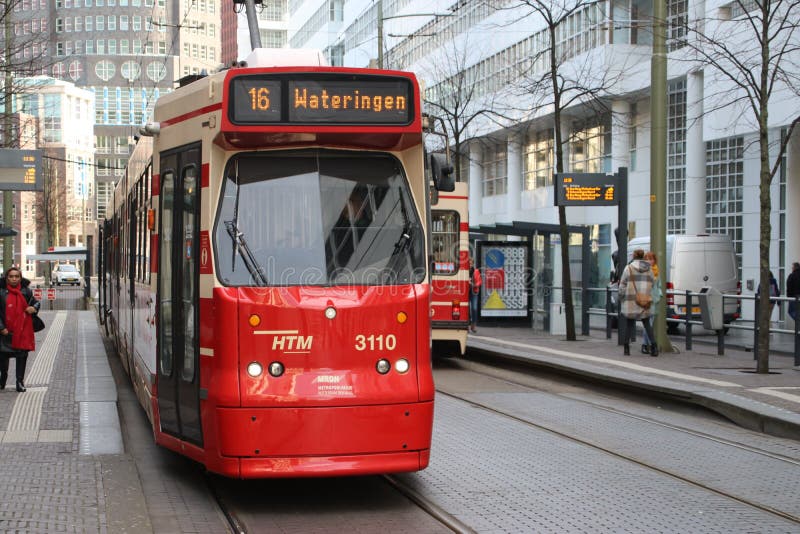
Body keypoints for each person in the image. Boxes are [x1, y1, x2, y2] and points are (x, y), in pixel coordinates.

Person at [0, 267, 40, 392]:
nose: (14, 279)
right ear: (6, 278)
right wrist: (1, 327)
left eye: (16, 276)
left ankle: (19, 381)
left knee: (22, 356)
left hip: (22, 330)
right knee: (2, 358)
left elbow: (36, 302)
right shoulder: (1, 291)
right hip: (5, 332)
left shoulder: (26, 291)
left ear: (20, 278)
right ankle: (3, 378)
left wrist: (34, 308)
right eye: (11, 276)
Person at [618, 249, 657, 356]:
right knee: (647, 324)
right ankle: (654, 347)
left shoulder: (628, 268)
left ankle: (626, 348)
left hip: (631, 300)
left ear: (634, 256)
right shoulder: (649, 269)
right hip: (644, 301)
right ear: (642, 256)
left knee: (629, 324)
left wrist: (621, 297)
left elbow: (622, 285)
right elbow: (653, 283)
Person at [640, 251, 662, 354]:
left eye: (651, 259)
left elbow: (659, 285)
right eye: (647, 259)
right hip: (646, 300)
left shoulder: (657, 271)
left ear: (654, 260)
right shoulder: (643, 270)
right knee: (648, 324)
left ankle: (647, 345)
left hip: (655, 300)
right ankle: (645, 345)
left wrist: (659, 294)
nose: (649, 261)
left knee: (650, 324)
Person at [468, 257, 482, 333]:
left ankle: (473, 325)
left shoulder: (476, 271)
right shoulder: (464, 271)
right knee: (466, 309)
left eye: (470, 263)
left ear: (473, 263)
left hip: (474, 291)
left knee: (474, 308)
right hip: (466, 292)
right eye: (468, 263)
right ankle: (467, 325)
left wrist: (474, 284)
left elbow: (480, 281)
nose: (469, 265)